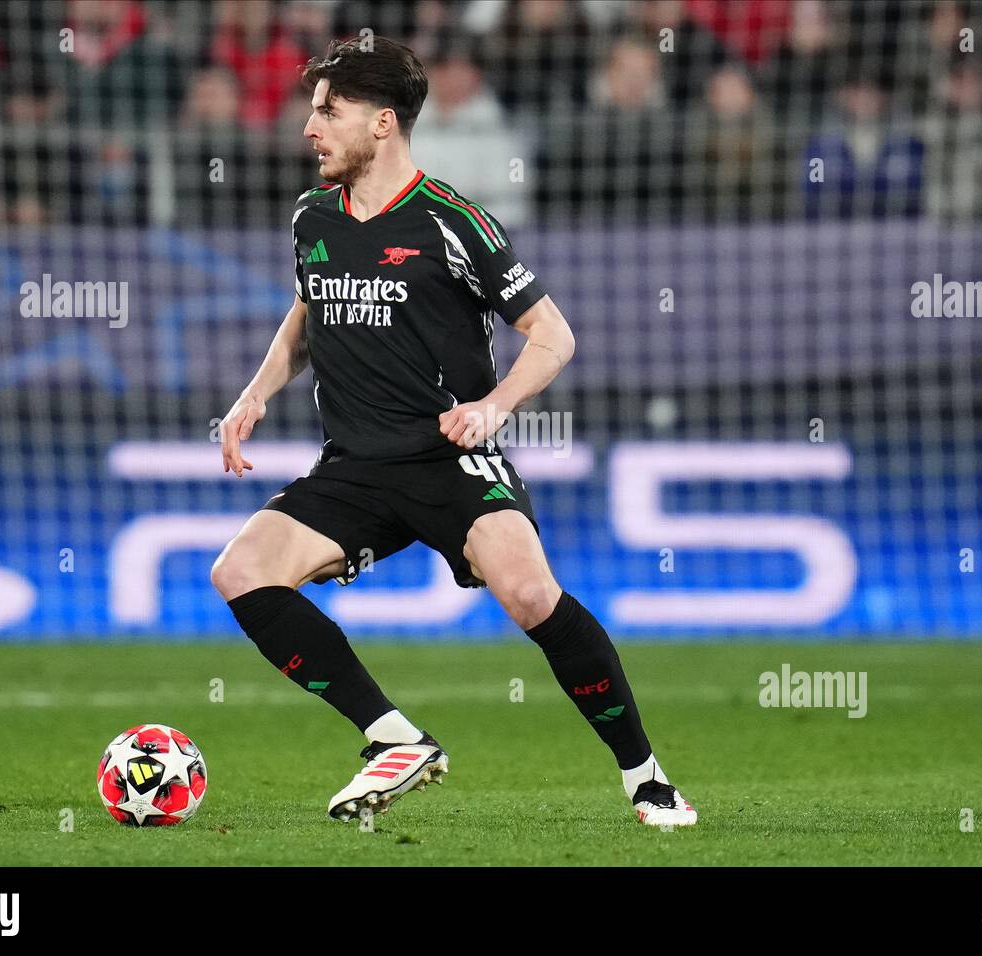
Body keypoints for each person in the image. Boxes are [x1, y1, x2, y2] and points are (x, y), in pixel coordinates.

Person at [210, 35, 696, 827]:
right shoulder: (312, 217)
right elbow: (308, 311)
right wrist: (255, 393)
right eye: (311, 109)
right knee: (241, 571)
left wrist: (495, 406)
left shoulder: (453, 221)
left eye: (328, 110)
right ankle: (395, 739)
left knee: (533, 594)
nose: (309, 126)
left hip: (450, 457)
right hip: (355, 466)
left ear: (383, 124)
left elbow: (554, 338)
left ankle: (646, 777)